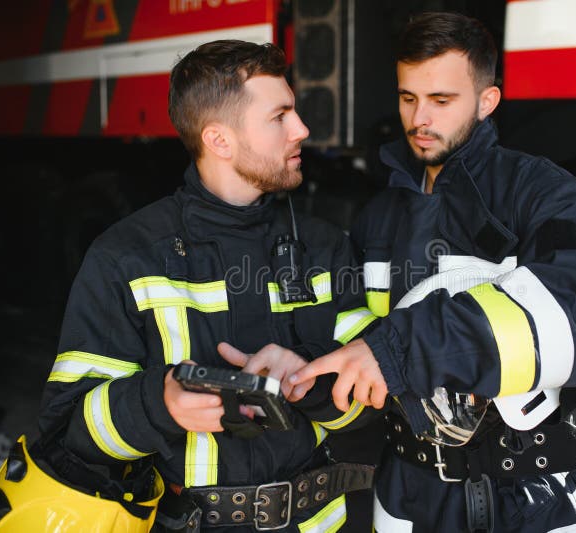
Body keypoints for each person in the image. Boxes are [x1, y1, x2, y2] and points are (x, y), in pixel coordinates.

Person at [289, 12, 576, 533]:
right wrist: (292, 372)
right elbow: (353, 343)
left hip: (537, 498)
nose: (420, 118)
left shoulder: (539, 192)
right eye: (408, 98)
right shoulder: (378, 218)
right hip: (409, 496)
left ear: (486, 101)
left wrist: (400, 351)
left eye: (442, 101)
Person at [25, 40, 380, 532]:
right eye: (280, 117)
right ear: (219, 140)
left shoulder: (324, 248)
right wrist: (160, 404)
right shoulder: (125, 257)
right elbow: (68, 432)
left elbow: (371, 406)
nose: (302, 129)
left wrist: (308, 379)